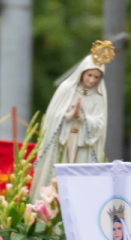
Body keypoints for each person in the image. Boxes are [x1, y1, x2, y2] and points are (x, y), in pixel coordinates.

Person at [33, 48, 109, 201]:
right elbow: (52, 116)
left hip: (83, 146)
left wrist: (82, 117)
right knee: (57, 176)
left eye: (96, 77)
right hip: (63, 141)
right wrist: (69, 115)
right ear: (82, 73)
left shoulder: (99, 96)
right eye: (89, 75)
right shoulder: (67, 89)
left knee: (79, 182)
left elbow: (100, 124)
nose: (91, 80)